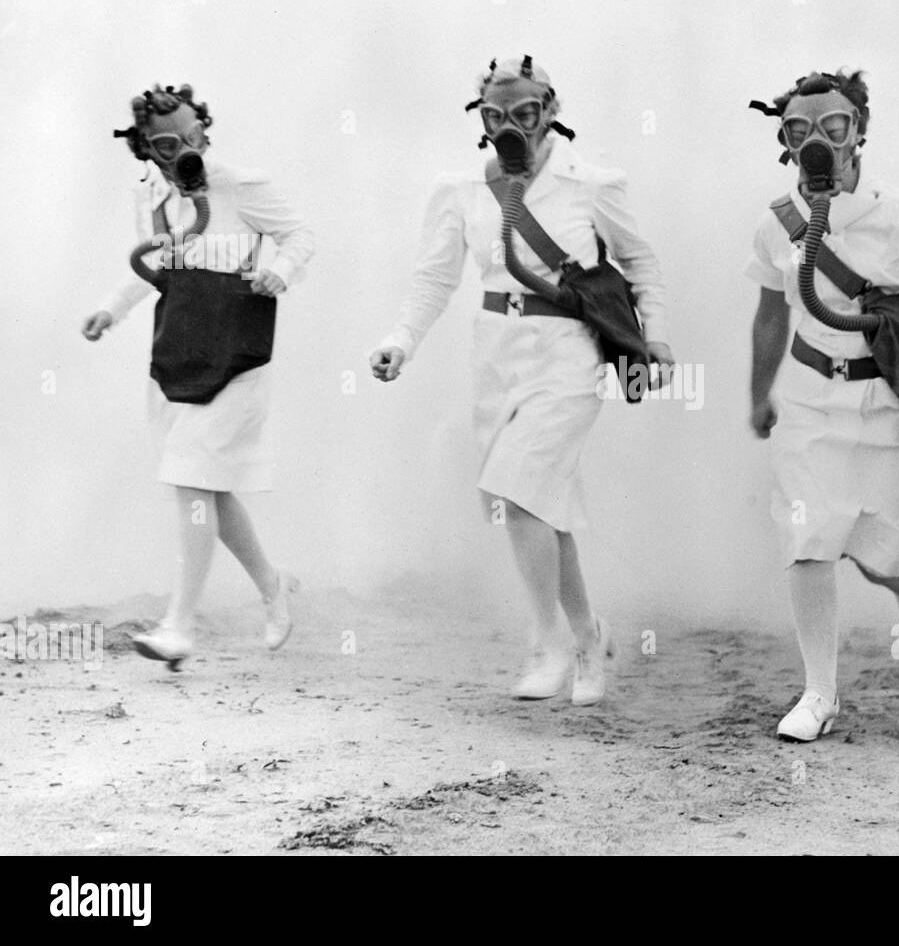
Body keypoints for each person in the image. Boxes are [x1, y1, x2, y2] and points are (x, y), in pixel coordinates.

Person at [369, 56, 673, 706]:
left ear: (551, 111)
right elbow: (434, 277)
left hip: (567, 351)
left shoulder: (590, 183)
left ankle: (548, 642)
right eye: (496, 115)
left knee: (519, 484)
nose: (512, 126)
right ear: (481, 120)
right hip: (495, 353)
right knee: (530, 500)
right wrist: (401, 341)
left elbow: (640, 261)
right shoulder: (461, 190)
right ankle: (589, 636)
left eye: (525, 113)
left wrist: (657, 336)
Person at [746, 69, 899, 742]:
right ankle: (819, 694)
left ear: (860, 131)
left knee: (879, 555)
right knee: (810, 540)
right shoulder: (776, 224)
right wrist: (758, 392)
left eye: (834, 126)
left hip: (888, 401)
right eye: (801, 129)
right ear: (785, 141)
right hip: (812, 400)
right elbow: (769, 315)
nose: (819, 140)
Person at [83, 83, 315, 667]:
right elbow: (153, 263)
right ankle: (272, 584)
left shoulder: (237, 183)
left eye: (192, 136)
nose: (184, 149)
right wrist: (113, 308)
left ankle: (178, 625)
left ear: (203, 132)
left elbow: (300, 235)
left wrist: (279, 273)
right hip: (180, 347)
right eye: (166, 142)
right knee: (203, 483)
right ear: (145, 148)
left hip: (237, 351)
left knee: (192, 478)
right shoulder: (151, 197)